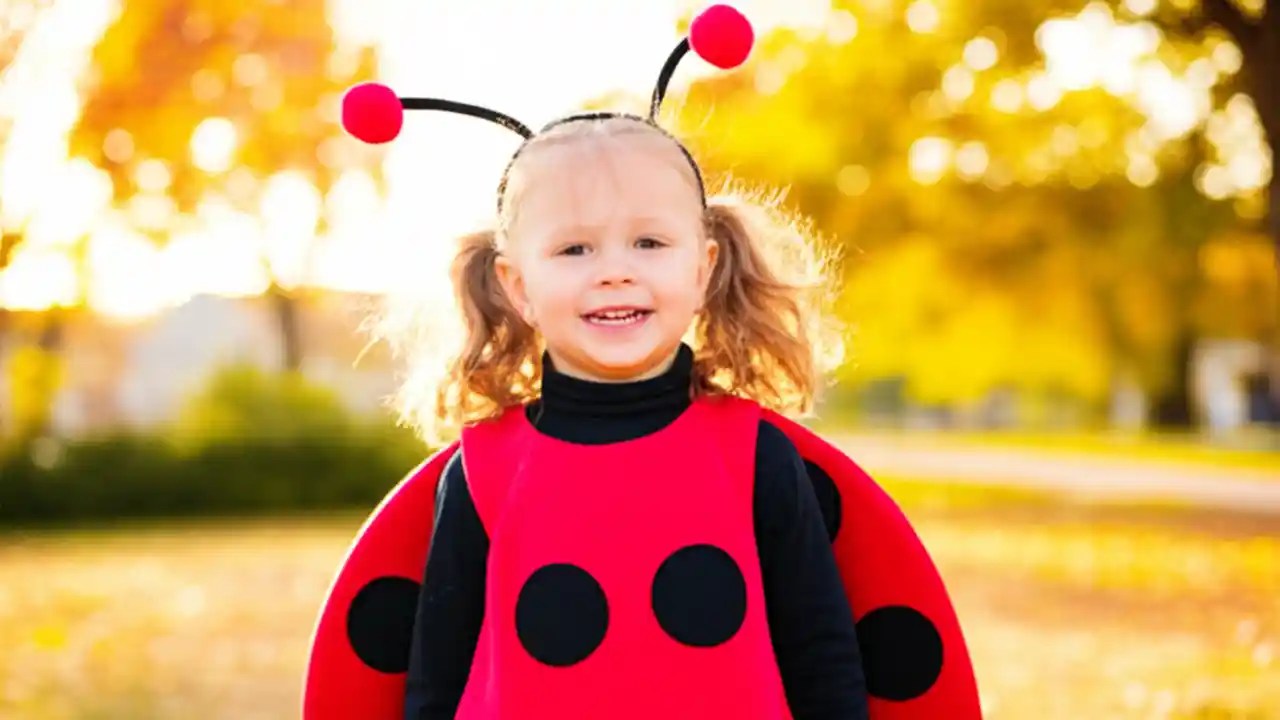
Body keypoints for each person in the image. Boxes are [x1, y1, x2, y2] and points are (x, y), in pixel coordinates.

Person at [344, 6, 869, 719]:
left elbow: (823, 660)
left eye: (649, 243)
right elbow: (435, 678)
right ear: (518, 286)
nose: (615, 272)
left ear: (704, 268)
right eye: (575, 249)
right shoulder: (483, 471)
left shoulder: (754, 458)